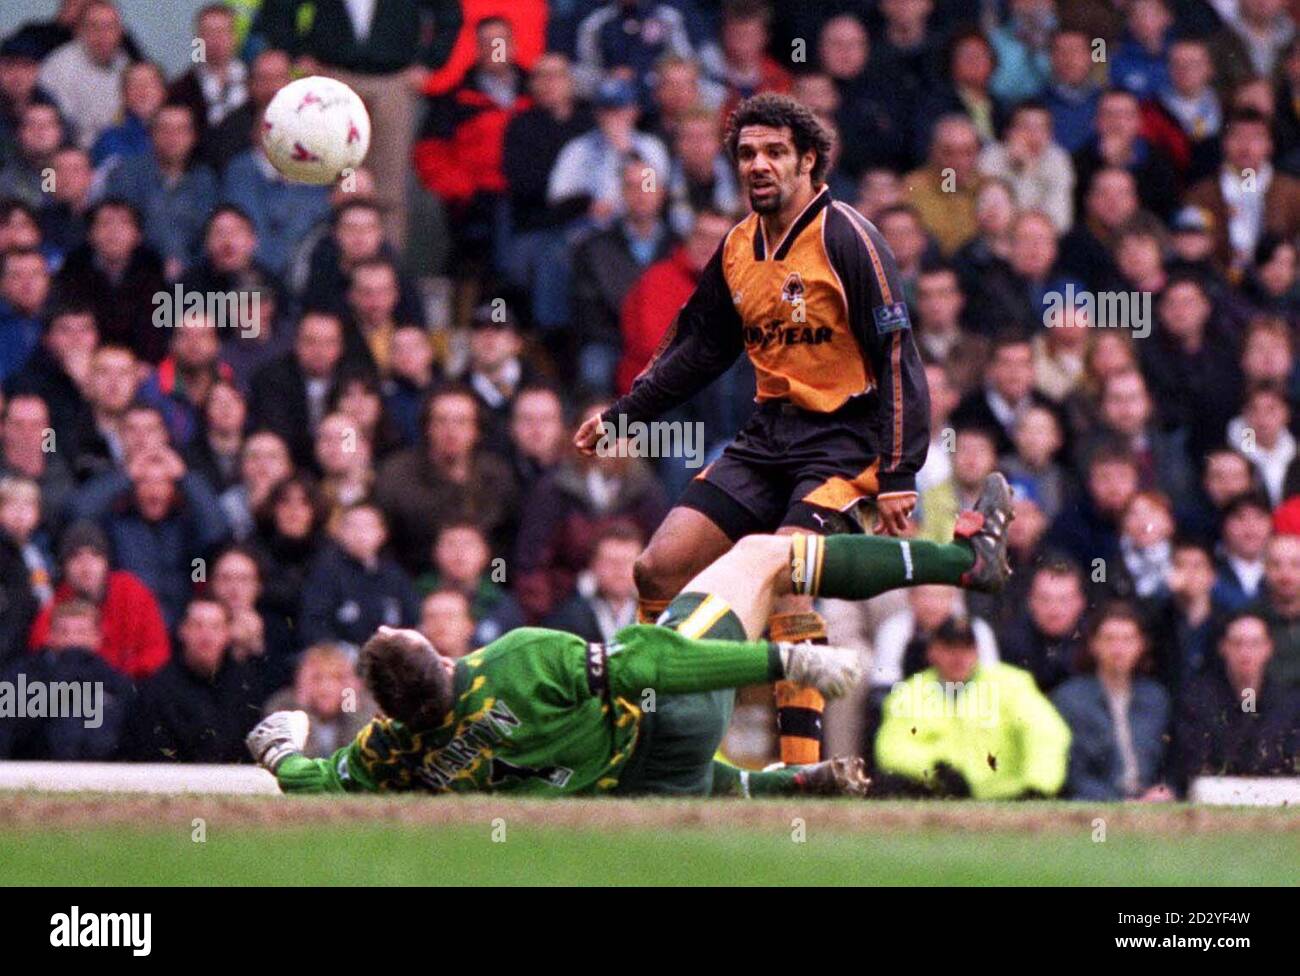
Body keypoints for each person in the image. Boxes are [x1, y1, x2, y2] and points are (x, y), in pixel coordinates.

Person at [247, 471, 1018, 797]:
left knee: (657, 588)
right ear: (435, 652)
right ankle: (964, 560)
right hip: (668, 721)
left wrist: (282, 753)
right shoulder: (511, 659)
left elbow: (324, 777)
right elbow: (651, 660)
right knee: (763, 555)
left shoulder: (395, 756)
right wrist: (781, 660)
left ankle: (792, 782)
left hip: (642, 782)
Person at [574, 93, 933, 767]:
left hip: (843, 440)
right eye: (746, 154)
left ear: (808, 161)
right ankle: (643, 740)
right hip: (767, 437)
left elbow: (896, 355)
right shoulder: (738, 246)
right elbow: (702, 350)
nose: (758, 165)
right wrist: (625, 416)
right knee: (655, 568)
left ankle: (802, 776)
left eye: (774, 152)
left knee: (790, 575)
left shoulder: (849, 236)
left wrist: (899, 470)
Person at [873, 615, 1071, 799]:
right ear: (932, 651)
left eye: (966, 648)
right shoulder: (910, 693)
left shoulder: (1011, 684)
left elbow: (1046, 734)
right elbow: (891, 748)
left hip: (1005, 795)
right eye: (950, 647)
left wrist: (1038, 785)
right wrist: (936, 768)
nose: (959, 657)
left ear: (977, 651)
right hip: (939, 793)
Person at [1051, 602, 1173, 801]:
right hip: (1096, 803)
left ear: (1141, 645)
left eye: (1127, 639)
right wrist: (1118, 800)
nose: (1118, 649)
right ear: (1094, 644)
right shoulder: (1070, 699)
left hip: (1150, 803)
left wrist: (1164, 791)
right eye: (1109, 639)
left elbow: (1171, 762)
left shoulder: (1156, 698)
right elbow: (1072, 774)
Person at [26, 519, 169, 680]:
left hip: (133, 687)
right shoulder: (56, 604)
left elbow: (157, 652)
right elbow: (40, 649)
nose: (86, 566)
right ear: (64, 566)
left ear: (106, 562)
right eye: (76, 557)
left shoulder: (132, 592)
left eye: (95, 555)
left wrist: (121, 680)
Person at [1174, 610, 1299, 785]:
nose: (1245, 652)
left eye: (1254, 643)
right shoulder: (1198, 699)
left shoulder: (1289, 703)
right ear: (1223, 647)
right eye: (1237, 643)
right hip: (1214, 793)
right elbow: (1193, 759)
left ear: (1268, 648)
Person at [262, 643, 375, 758]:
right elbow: (296, 763)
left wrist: (351, 707)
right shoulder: (282, 706)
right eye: (317, 678)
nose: (326, 688)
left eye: (337, 677)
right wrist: (301, 707)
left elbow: (359, 760)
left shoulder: (366, 707)